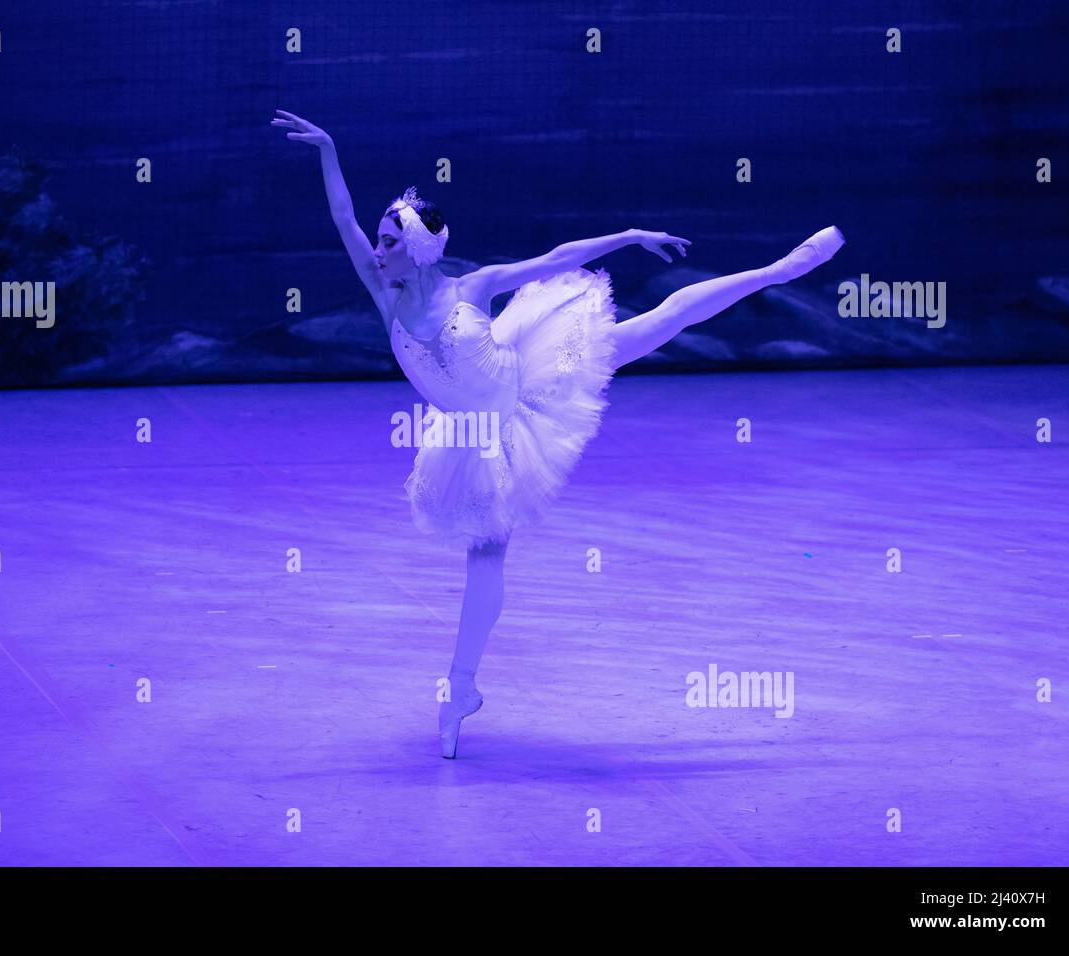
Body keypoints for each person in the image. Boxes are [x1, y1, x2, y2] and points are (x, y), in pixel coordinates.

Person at [273, 109, 844, 757]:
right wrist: (328, 150)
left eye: (390, 241)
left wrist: (630, 235)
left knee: (656, 324)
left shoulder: (472, 287)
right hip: (474, 438)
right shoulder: (382, 290)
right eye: (379, 241)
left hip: (538, 380)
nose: (377, 251)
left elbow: (555, 258)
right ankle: (462, 691)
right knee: (484, 559)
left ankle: (779, 271)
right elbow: (342, 219)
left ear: (423, 248)